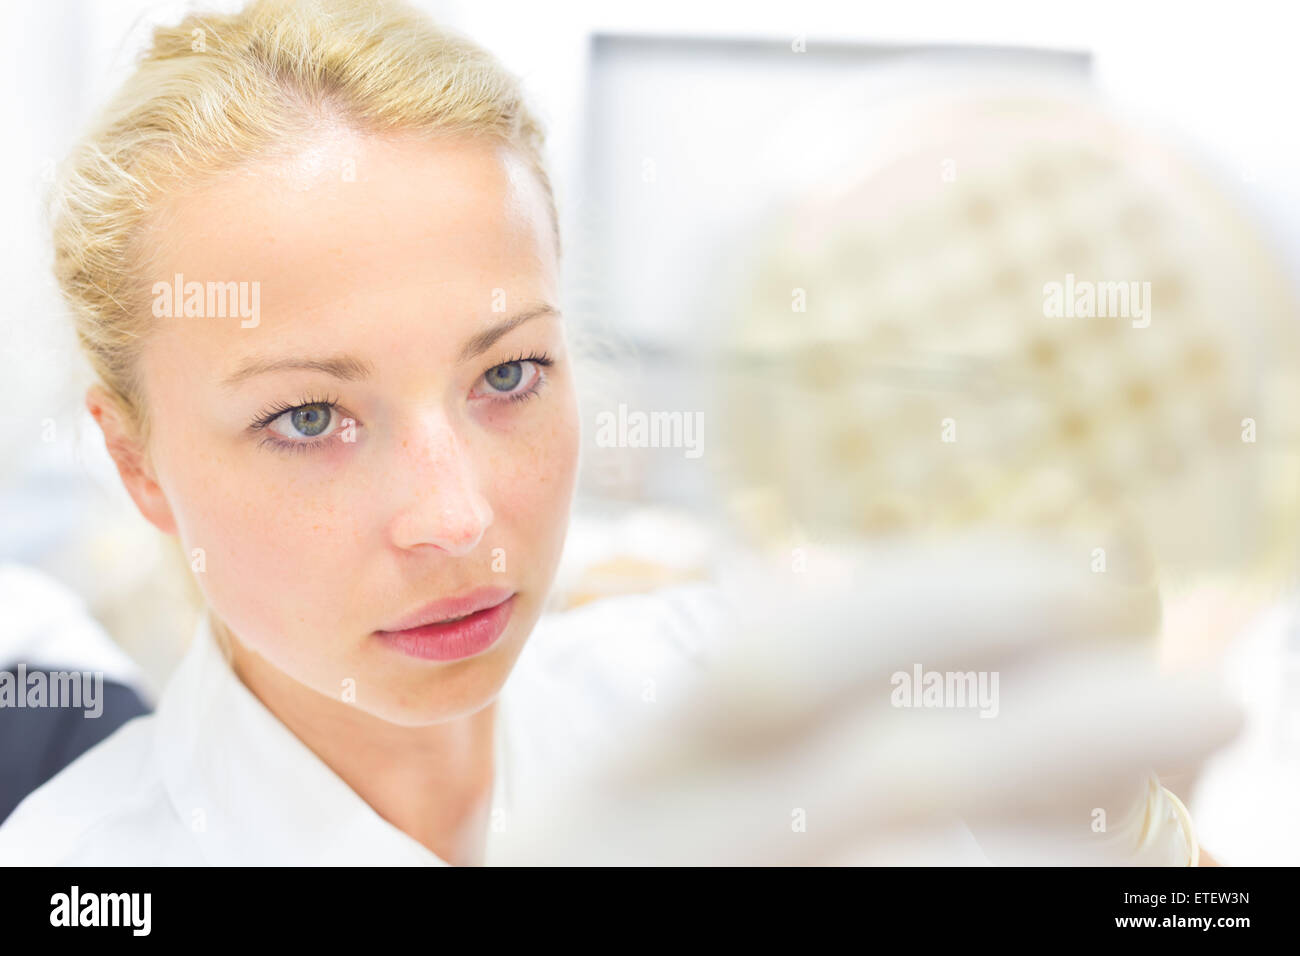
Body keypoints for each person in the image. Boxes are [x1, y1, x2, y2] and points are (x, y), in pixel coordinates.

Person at [0, 0, 1225, 866]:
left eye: (510, 372)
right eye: (309, 416)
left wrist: (1125, 845)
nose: (459, 517)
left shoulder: (726, 691)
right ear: (135, 461)